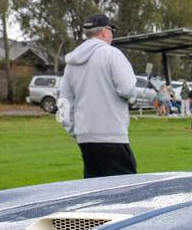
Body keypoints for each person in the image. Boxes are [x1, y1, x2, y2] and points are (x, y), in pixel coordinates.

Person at [58, 14, 138, 178]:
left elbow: (63, 104)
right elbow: (127, 88)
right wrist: (132, 99)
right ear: (104, 31)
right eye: (111, 30)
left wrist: (75, 131)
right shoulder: (112, 54)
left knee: (95, 192)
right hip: (113, 136)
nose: (112, 35)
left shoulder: (71, 63)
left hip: (85, 138)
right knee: (125, 191)